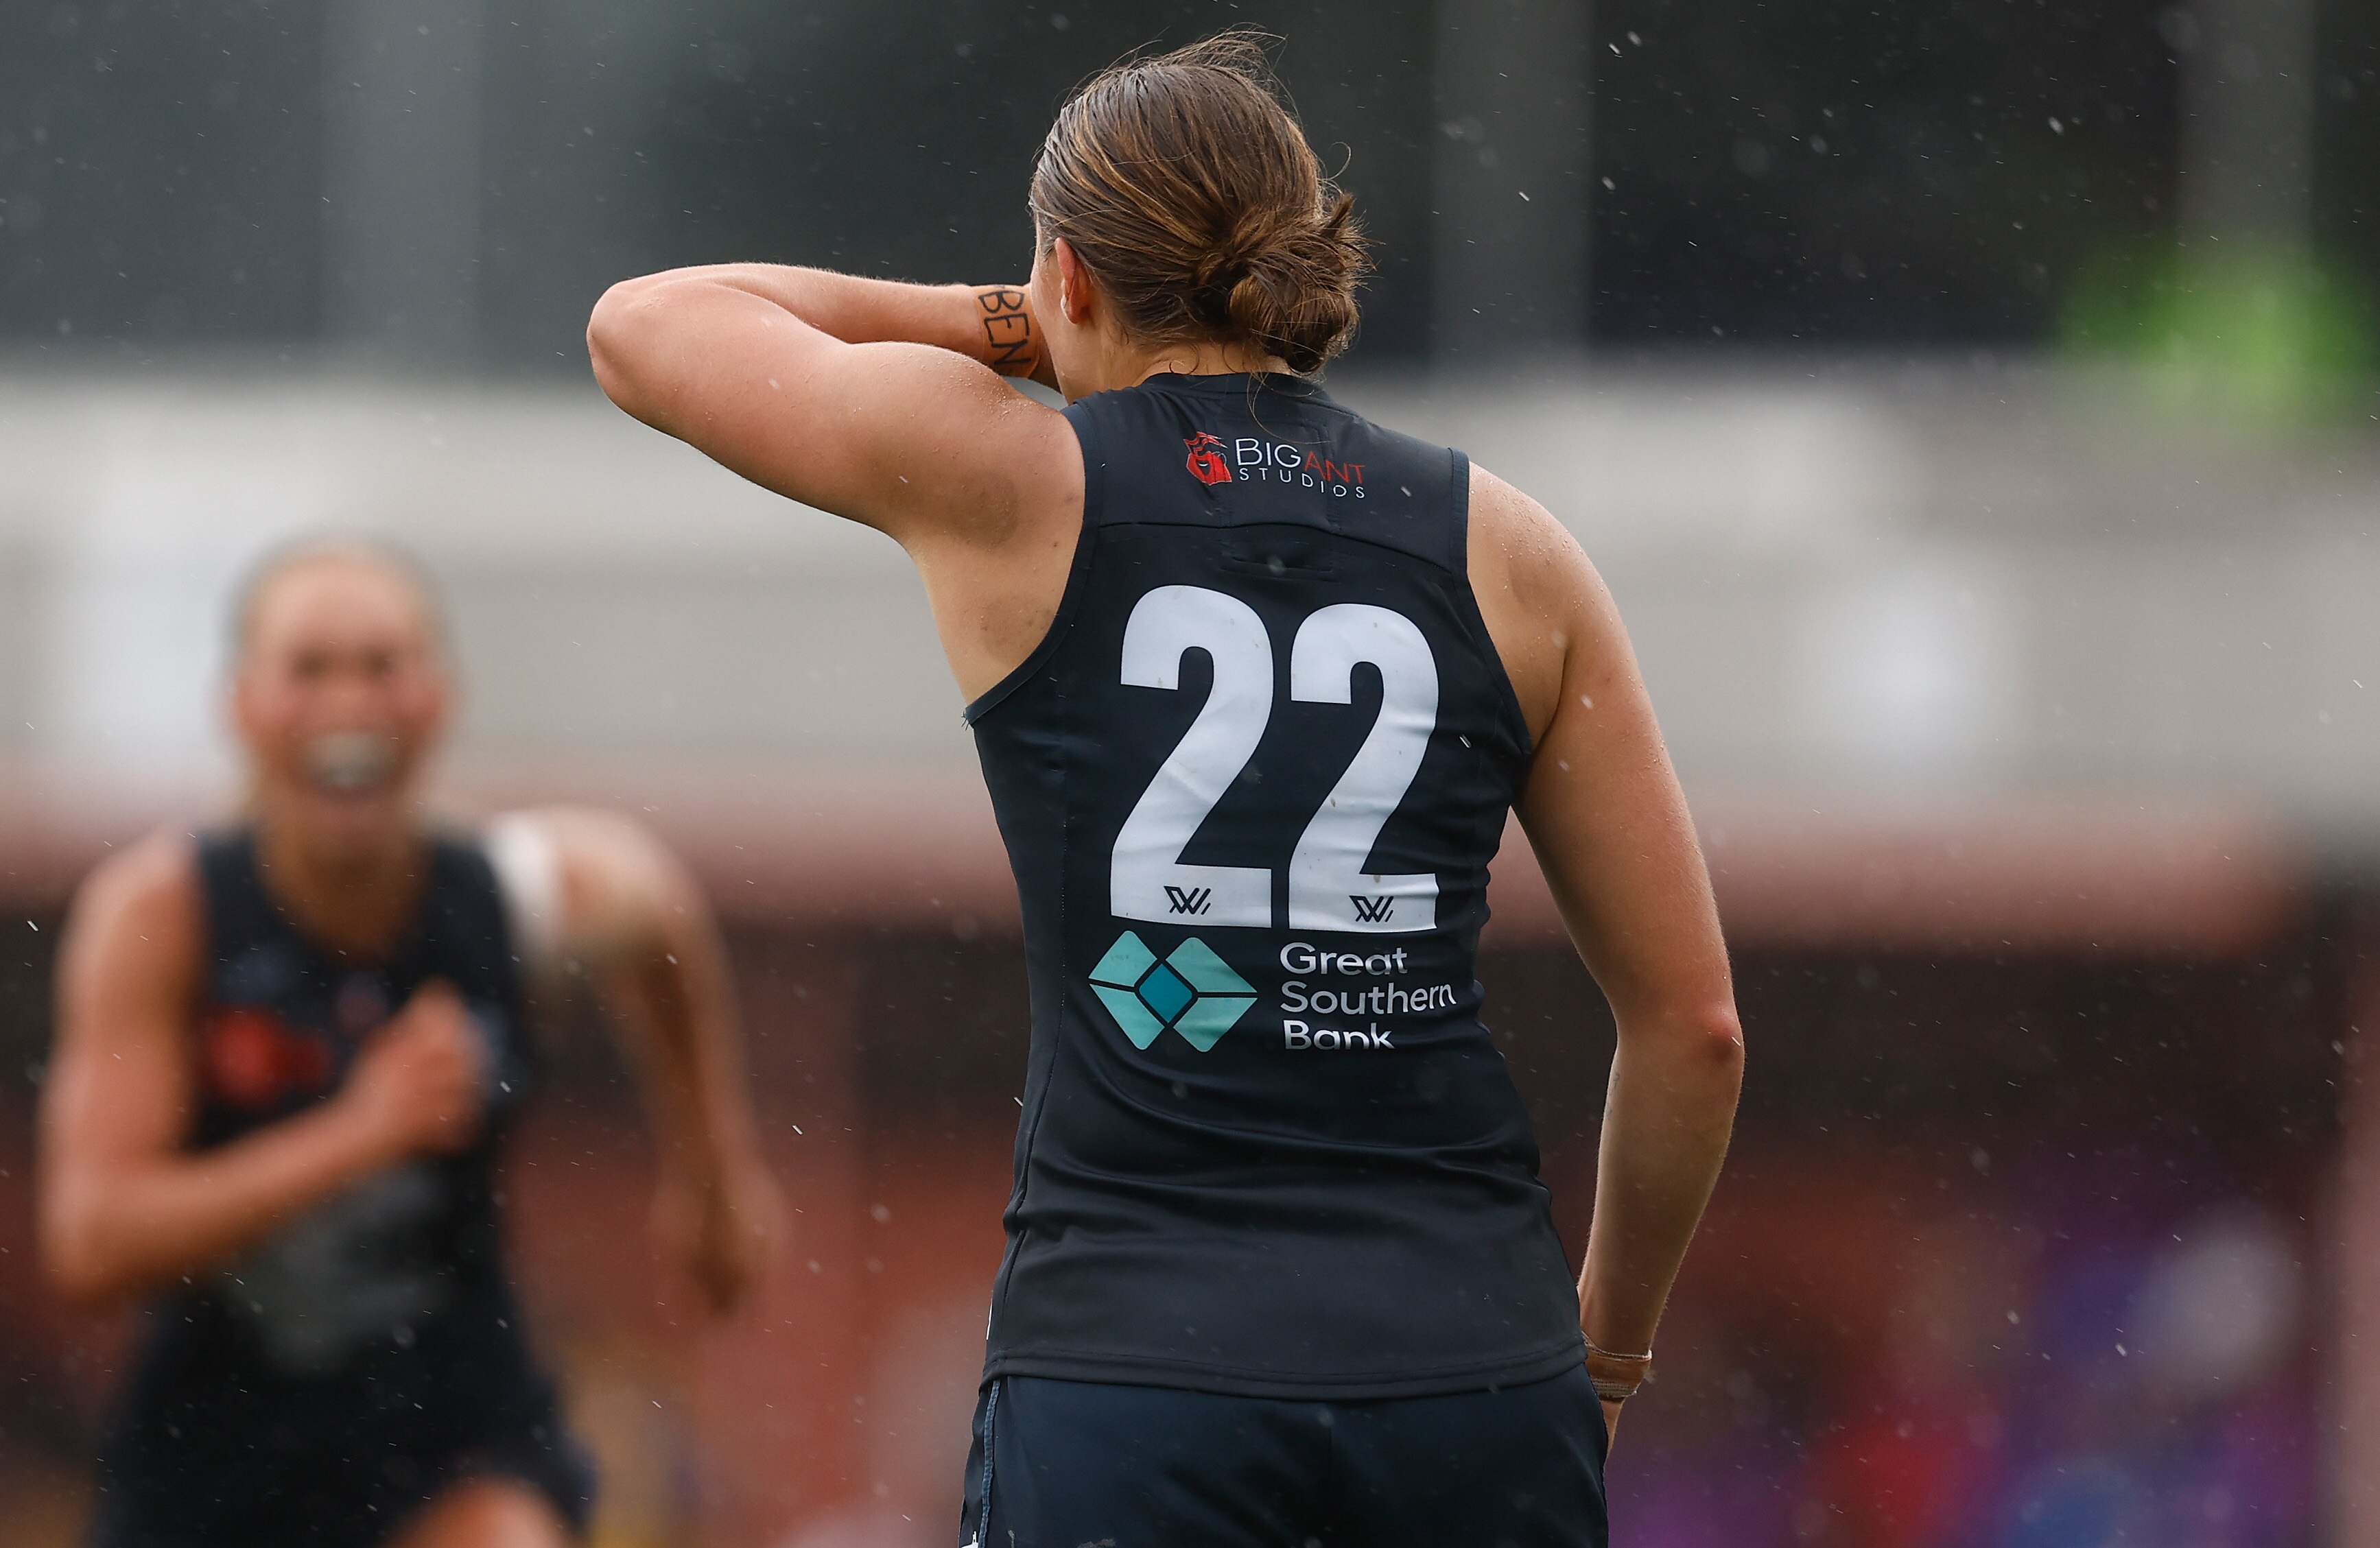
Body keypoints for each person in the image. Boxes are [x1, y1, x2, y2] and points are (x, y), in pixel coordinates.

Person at [588, 33, 1742, 1547]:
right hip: (1468, 1373)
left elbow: (645, 326)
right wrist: (1600, 1352)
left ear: (1069, 274)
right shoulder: (1507, 547)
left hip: (1132, 1372)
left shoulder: (1009, 481)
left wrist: (999, 323)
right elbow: (1695, 1031)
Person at [38, 540, 782, 1548]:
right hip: (213, 1438)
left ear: (436, 698)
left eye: (382, 665)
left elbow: (655, 914)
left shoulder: (503, 897)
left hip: (449, 1421)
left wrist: (711, 1176)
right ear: (243, 706)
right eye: (309, 668)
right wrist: (360, 1132)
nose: (350, 701)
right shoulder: (166, 917)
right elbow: (91, 1240)